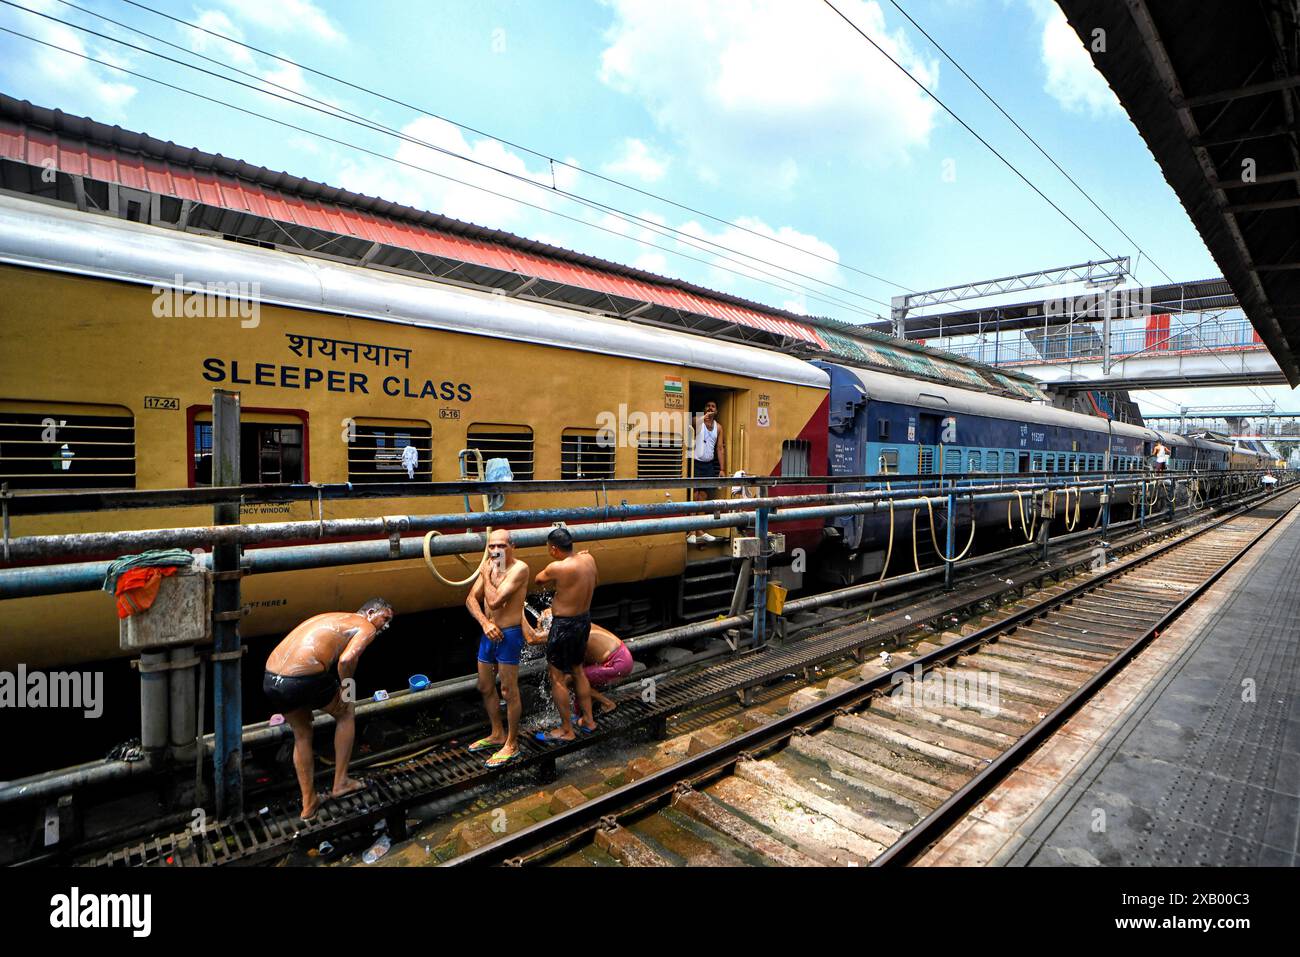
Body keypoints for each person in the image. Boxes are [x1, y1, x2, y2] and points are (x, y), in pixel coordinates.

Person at [263, 598, 393, 821]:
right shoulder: (365, 626)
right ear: (371, 612)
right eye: (386, 618)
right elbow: (346, 660)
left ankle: (308, 803)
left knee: (302, 734)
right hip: (302, 678)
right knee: (346, 713)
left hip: (271, 680)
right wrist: (346, 688)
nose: (387, 625)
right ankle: (341, 782)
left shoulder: (333, 616)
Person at [464, 529, 531, 768]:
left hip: (509, 634)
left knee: (508, 690)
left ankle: (512, 744)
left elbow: (494, 600)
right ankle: (497, 733)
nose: (494, 552)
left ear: (512, 547)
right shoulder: (490, 566)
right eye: (491, 547)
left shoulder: (518, 569)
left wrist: (486, 575)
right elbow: (470, 599)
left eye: (501, 546)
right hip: (488, 632)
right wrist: (484, 623)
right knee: (484, 685)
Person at [533, 527, 598, 740]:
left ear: (553, 549)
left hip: (564, 626)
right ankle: (589, 720)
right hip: (583, 621)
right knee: (578, 670)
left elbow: (538, 580)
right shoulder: (588, 559)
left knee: (557, 677)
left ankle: (566, 730)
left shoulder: (557, 567)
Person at [524, 613, 633, 715]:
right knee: (576, 675)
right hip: (623, 655)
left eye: (541, 628)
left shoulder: (565, 630)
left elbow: (532, 639)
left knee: (570, 680)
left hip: (617, 662)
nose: (540, 630)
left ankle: (608, 704)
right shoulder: (576, 621)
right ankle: (582, 711)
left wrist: (518, 611)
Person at [689, 400, 726, 543]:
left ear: (716, 411)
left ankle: (700, 530)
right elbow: (690, 423)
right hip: (695, 463)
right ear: (704, 409)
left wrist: (722, 469)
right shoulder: (698, 420)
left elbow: (720, 448)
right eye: (708, 406)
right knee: (695, 495)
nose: (710, 408)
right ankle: (691, 529)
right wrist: (702, 418)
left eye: (713, 406)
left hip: (708, 464)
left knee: (703, 496)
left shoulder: (719, 427)